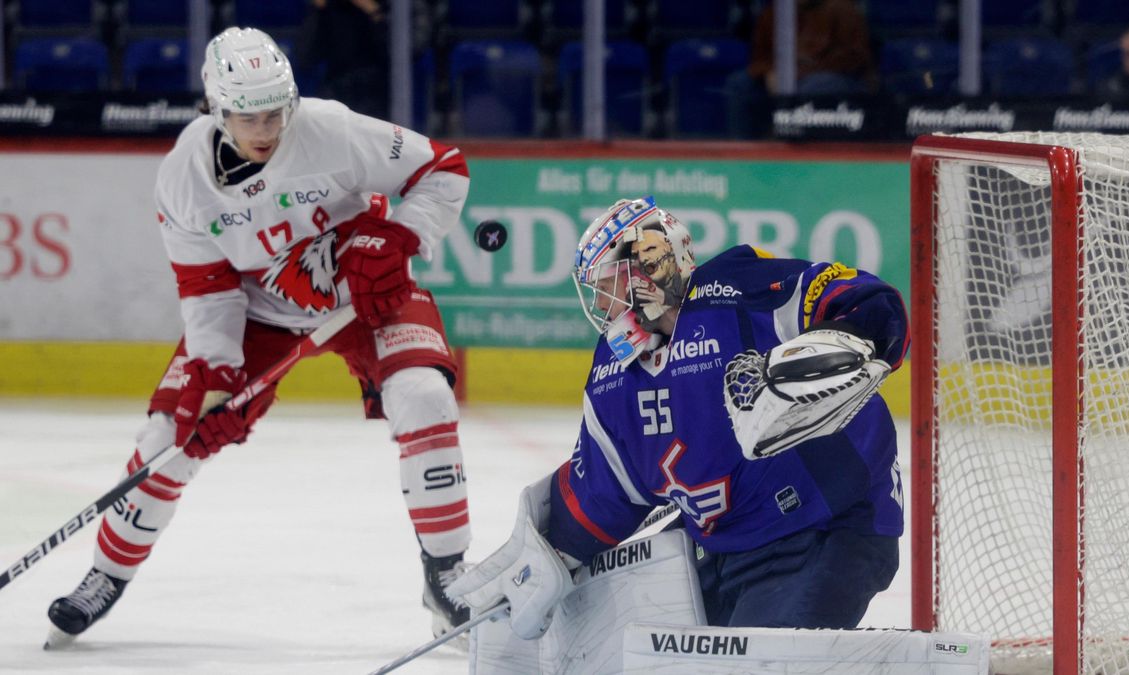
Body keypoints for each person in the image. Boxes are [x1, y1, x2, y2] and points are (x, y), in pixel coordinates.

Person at [44, 26, 472, 647]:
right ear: (217, 111)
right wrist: (218, 374)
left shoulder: (331, 129)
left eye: (275, 113)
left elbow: (444, 167)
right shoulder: (183, 178)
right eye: (248, 118)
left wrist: (399, 235)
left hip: (366, 293)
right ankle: (106, 574)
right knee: (171, 434)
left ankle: (447, 576)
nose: (266, 130)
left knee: (426, 398)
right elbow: (208, 287)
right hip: (259, 313)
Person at [449, 196, 907, 636]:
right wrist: (543, 554)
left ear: (652, 263)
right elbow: (605, 490)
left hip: (825, 528)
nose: (603, 303)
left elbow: (865, 300)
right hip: (719, 550)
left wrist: (846, 339)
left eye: (610, 282)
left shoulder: (738, 287)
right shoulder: (614, 370)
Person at [728, 0, 876, 139]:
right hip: (785, 77)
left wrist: (798, 74)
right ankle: (743, 146)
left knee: (811, 87)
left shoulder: (842, 8)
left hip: (837, 79)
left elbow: (853, 58)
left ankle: (794, 142)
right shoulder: (776, 11)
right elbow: (759, 56)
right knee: (740, 84)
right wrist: (768, 72)